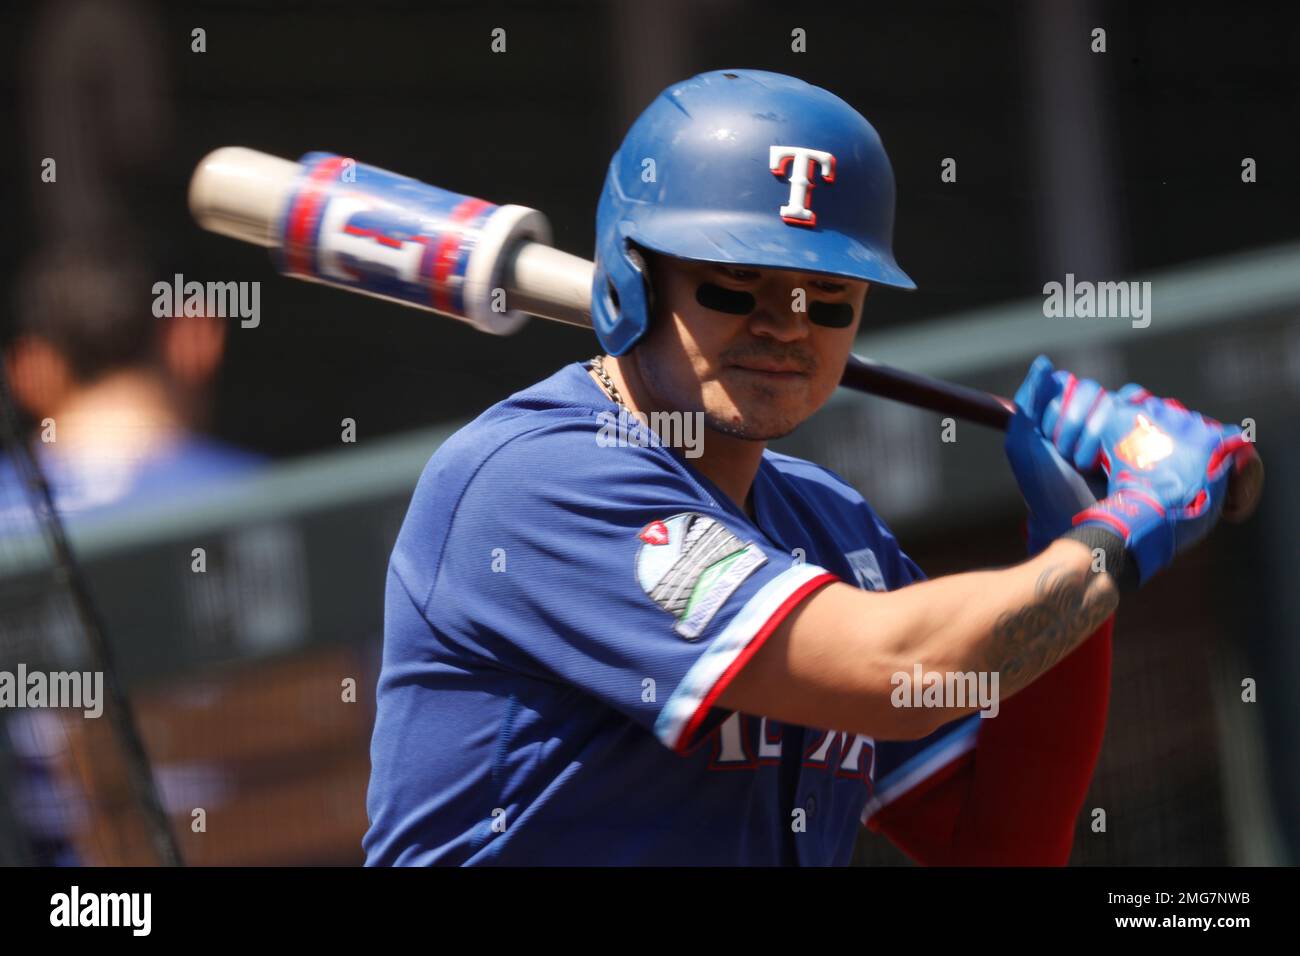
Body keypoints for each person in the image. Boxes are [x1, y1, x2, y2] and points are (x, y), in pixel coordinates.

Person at [363, 70, 1248, 865]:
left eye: (826, 298)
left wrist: (1069, 546)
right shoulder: (541, 482)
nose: (787, 327)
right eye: (734, 285)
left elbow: (999, 845)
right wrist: (1120, 533)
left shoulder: (831, 528)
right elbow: (891, 671)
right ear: (629, 283)